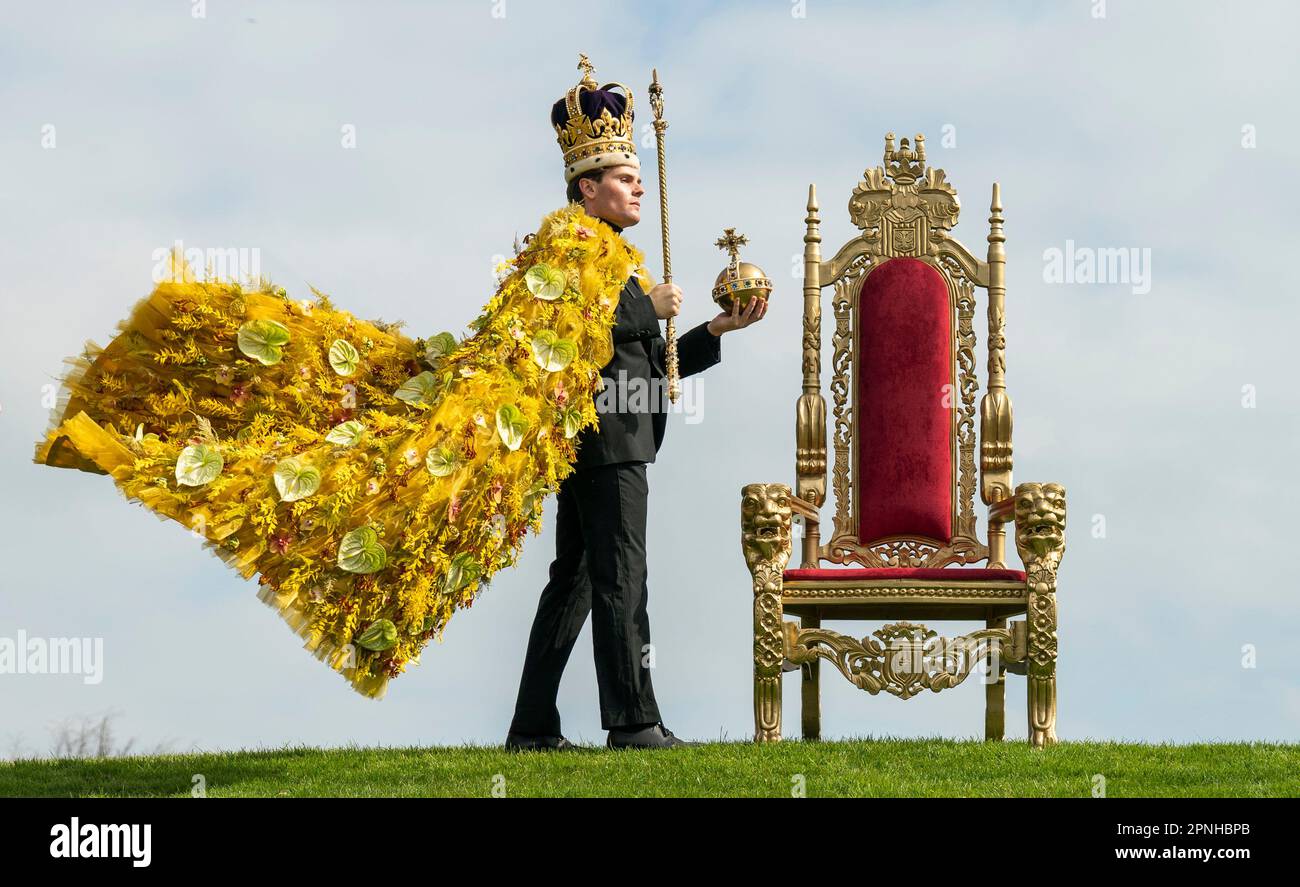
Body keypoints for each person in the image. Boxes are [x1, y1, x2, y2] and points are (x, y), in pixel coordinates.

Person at [506, 59, 767, 751]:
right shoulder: (567, 250)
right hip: (606, 438)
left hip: (609, 434)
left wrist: (712, 331)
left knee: (578, 582)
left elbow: (648, 358)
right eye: (624, 177)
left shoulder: (619, 258)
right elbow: (558, 337)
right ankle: (634, 721)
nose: (638, 184)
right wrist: (640, 309)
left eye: (637, 174)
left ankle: (532, 728)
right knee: (622, 577)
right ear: (586, 188)